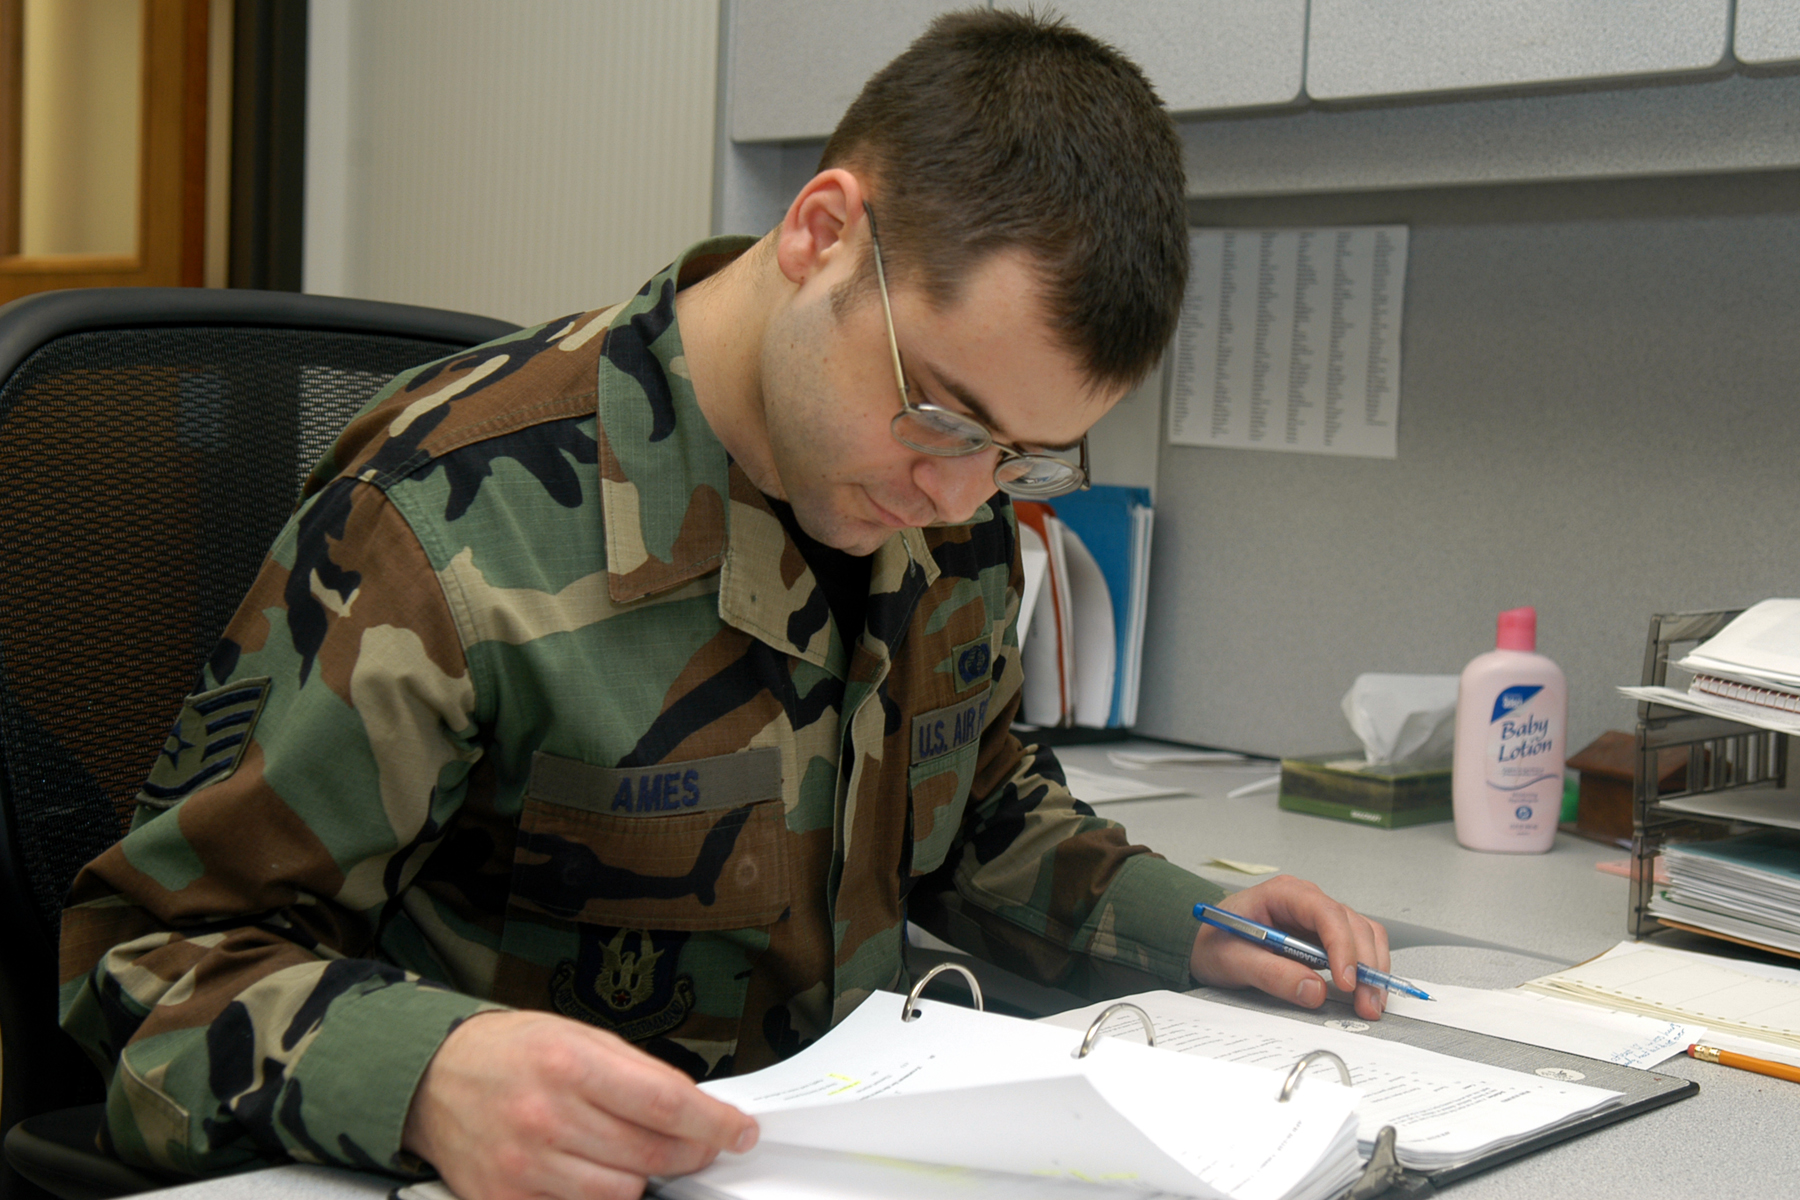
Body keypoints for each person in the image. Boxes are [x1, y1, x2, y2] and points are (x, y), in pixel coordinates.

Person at [59, 11, 1389, 1200]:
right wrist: (428, 1073)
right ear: (821, 235)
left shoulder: (945, 512)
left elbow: (972, 816)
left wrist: (1193, 930)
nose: (959, 495)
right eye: (944, 415)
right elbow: (145, 963)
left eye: (1021, 455)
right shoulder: (449, 525)